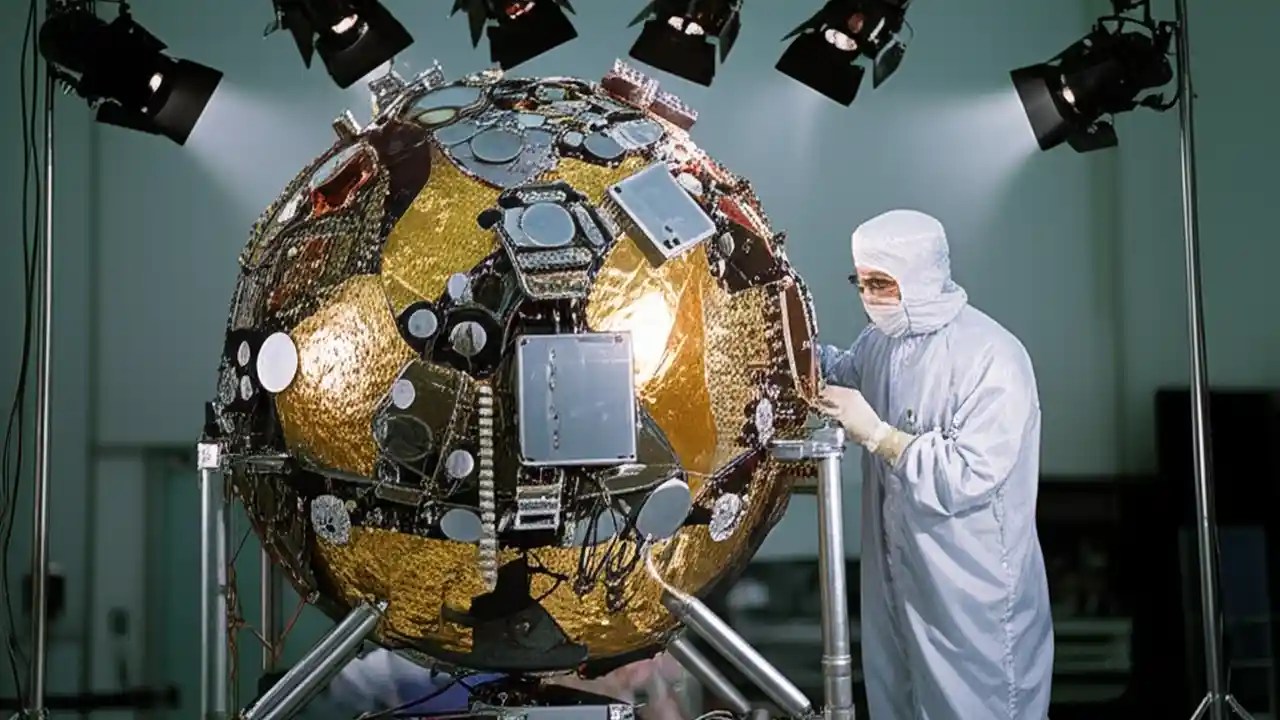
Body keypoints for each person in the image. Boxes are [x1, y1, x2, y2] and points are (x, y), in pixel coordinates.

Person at [815, 209, 1054, 720]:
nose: (870, 297)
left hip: (972, 593)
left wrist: (881, 436)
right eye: (863, 282)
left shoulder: (992, 356)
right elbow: (840, 371)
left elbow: (971, 475)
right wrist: (784, 338)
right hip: (901, 582)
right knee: (899, 698)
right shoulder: (882, 343)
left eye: (883, 283)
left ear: (920, 276)